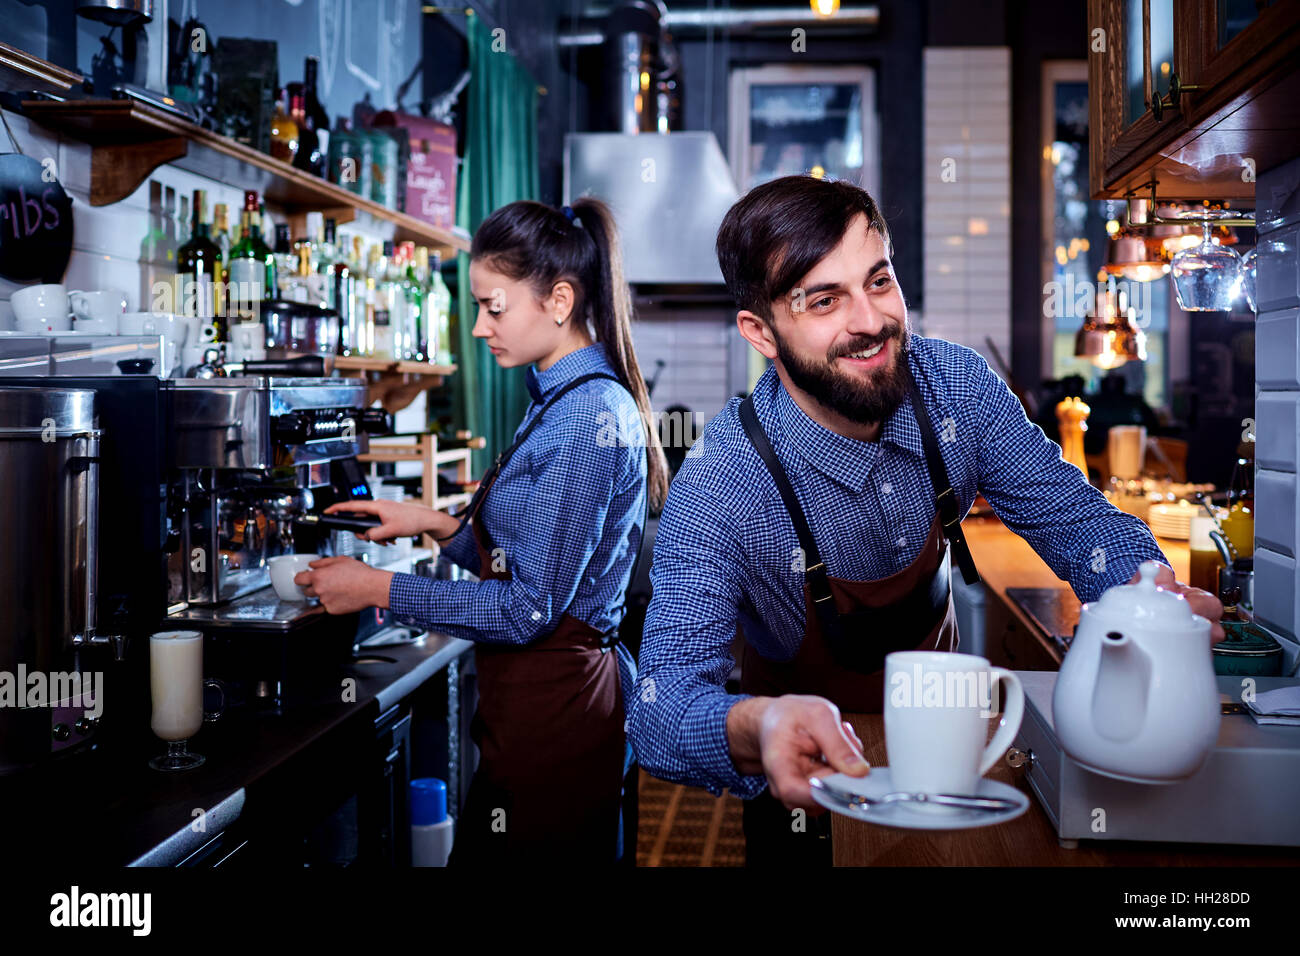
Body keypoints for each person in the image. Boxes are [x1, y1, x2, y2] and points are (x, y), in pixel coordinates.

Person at [628, 175, 1223, 867]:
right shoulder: (723, 480)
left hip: (950, 763)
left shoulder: (957, 388)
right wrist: (756, 723)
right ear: (761, 331)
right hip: (806, 791)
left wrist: (1146, 591)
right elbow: (658, 707)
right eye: (825, 300)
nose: (870, 320)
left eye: (878, 281)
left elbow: (1074, 519)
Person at [296, 197, 668, 865]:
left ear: (559, 300)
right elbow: (531, 560)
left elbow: (528, 607)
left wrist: (379, 587)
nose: (477, 327)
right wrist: (436, 524)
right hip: (539, 716)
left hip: (562, 721)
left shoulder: (585, 417)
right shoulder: (557, 396)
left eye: (493, 307)